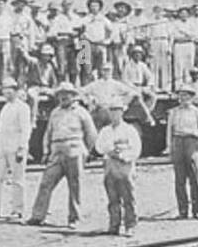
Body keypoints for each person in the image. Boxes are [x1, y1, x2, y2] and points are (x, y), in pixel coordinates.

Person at [26, 81, 97, 228]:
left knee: (75, 185)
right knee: (46, 183)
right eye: (60, 95)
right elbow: (48, 132)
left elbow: (91, 134)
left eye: (66, 94)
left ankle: (74, 218)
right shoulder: (55, 113)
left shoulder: (81, 113)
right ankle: (38, 216)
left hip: (74, 148)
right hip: (56, 151)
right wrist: (46, 151)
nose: (63, 97)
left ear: (73, 96)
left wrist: (85, 151)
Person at [0, 81, 32, 220]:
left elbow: (26, 129)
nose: (7, 95)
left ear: (16, 92)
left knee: (17, 179)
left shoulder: (23, 108)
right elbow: (1, 130)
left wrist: (22, 148)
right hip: (2, 148)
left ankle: (18, 210)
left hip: (16, 148)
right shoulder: (5, 107)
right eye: (4, 92)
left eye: (9, 92)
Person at [96, 99, 141, 236]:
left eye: (117, 111)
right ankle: (114, 225)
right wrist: (110, 151)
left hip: (125, 167)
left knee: (128, 198)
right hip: (110, 167)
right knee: (112, 198)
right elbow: (99, 147)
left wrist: (123, 155)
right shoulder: (105, 131)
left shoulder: (129, 130)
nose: (114, 114)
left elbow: (136, 149)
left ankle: (130, 225)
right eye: (112, 111)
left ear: (122, 112)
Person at [166, 84, 198, 219]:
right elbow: (169, 132)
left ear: (191, 97)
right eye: (181, 95)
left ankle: (197, 211)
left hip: (192, 144)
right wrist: (170, 147)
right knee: (179, 180)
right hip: (178, 143)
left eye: (186, 95)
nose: (183, 98)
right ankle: (182, 211)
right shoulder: (174, 112)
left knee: (194, 179)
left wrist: (193, 133)